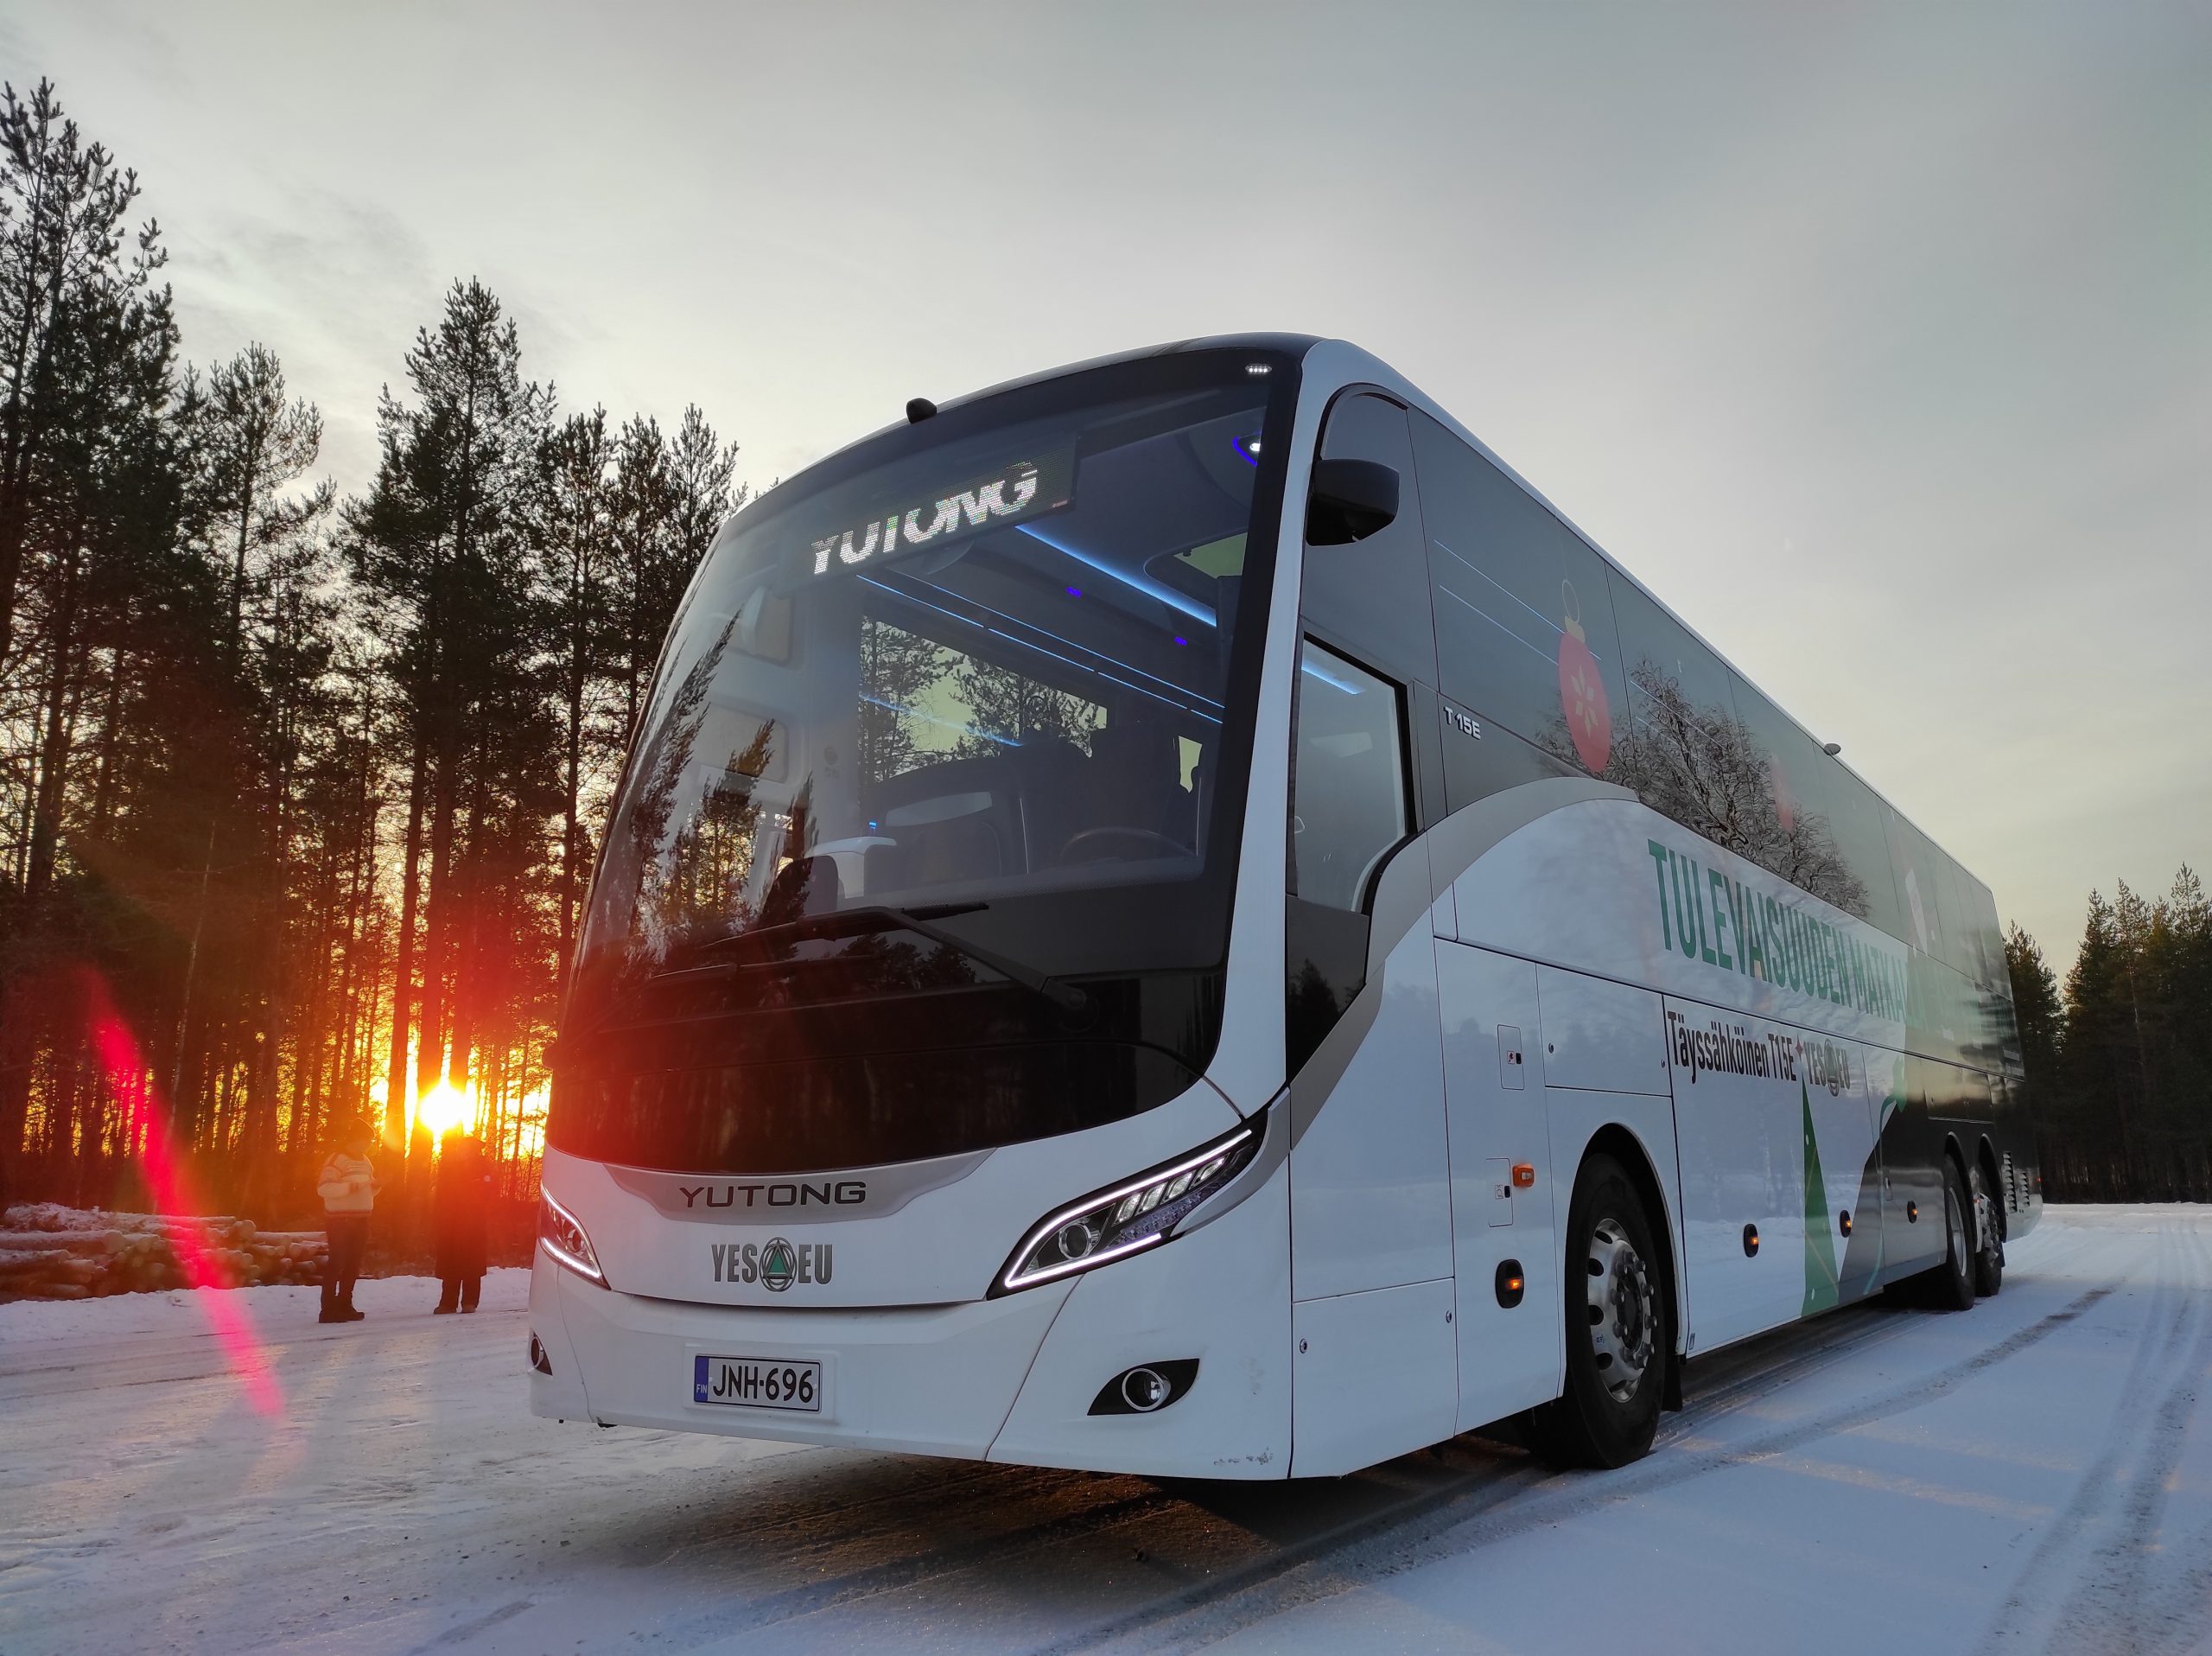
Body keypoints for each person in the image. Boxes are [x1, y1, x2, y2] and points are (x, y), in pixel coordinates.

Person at [316, 1119, 380, 1324]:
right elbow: (324, 1188)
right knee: (337, 1263)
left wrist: (377, 1186)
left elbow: (367, 1190)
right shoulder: (336, 1160)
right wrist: (350, 1187)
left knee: (353, 1264)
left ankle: (345, 1304)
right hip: (340, 1221)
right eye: (367, 1139)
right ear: (356, 1139)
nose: (370, 1144)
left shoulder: (366, 1161)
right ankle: (328, 1308)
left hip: (362, 1220)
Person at [433, 1132, 493, 1315]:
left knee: (472, 1264)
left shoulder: (485, 1167)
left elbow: (490, 1193)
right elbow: (441, 1193)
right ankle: (448, 1303)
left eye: (468, 1149)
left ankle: (469, 1302)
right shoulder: (451, 1167)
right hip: (452, 1222)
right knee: (451, 1263)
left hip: (474, 1222)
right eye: (463, 1148)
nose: (464, 1152)